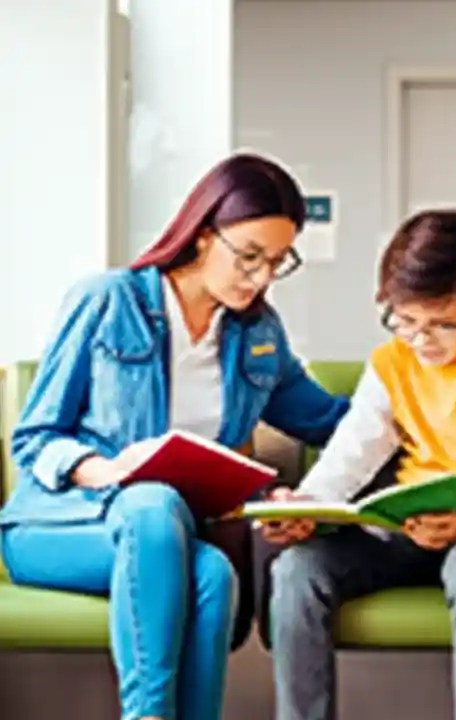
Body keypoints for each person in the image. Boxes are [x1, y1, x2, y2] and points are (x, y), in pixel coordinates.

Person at [0, 153, 350, 720]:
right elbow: (35, 438)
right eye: (250, 256)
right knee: (150, 500)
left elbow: (331, 420)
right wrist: (106, 471)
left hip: (168, 539)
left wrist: (425, 399)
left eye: (278, 262)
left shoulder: (258, 336)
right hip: (59, 526)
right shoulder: (107, 301)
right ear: (204, 235)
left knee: (211, 575)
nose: (260, 277)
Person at [263, 209, 456, 720]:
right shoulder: (391, 364)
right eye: (404, 321)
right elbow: (348, 459)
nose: (421, 340)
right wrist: (304, 506)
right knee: (298, 568)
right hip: (414, 532)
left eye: (442, 324)